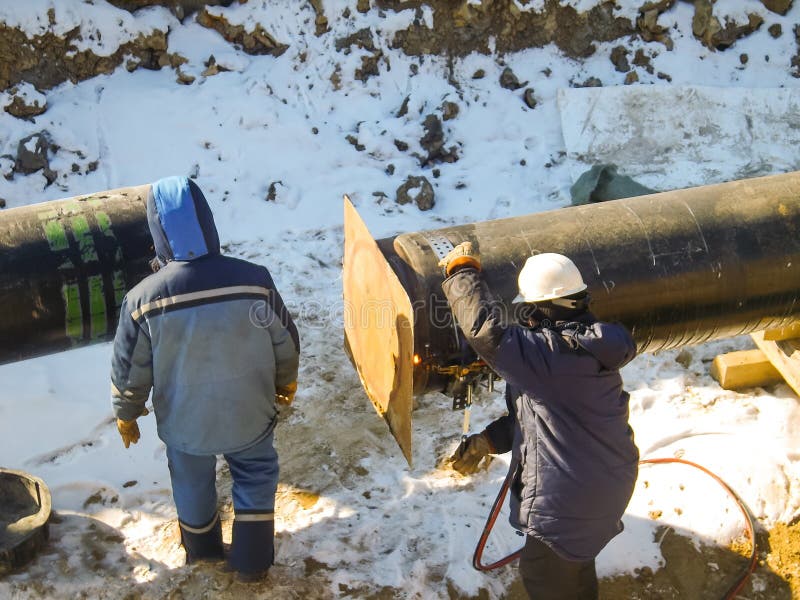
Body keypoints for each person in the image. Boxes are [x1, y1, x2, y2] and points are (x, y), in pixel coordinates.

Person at [110, 176, 299, 582]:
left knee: (192, 482)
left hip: (185, 422)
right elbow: (284, 340)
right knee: (255, 476)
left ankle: (203, 552)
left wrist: (126, 412)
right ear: (209, 223)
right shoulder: (255, 280)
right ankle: (250, 563)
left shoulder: (142, 300)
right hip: (249, 412)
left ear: (157, 233)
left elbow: (130, 368)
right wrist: (286, 381)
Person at [439, 242, 638, 600]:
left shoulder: (552, 355)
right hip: (600, 489)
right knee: (572, 569)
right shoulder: (586, 347)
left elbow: (486, 332)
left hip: (567, 505)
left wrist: (461, 271)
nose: (526, 321)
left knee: (546, 577)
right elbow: (542, 419)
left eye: (529, 312)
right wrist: (488, 441)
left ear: (543, 311)